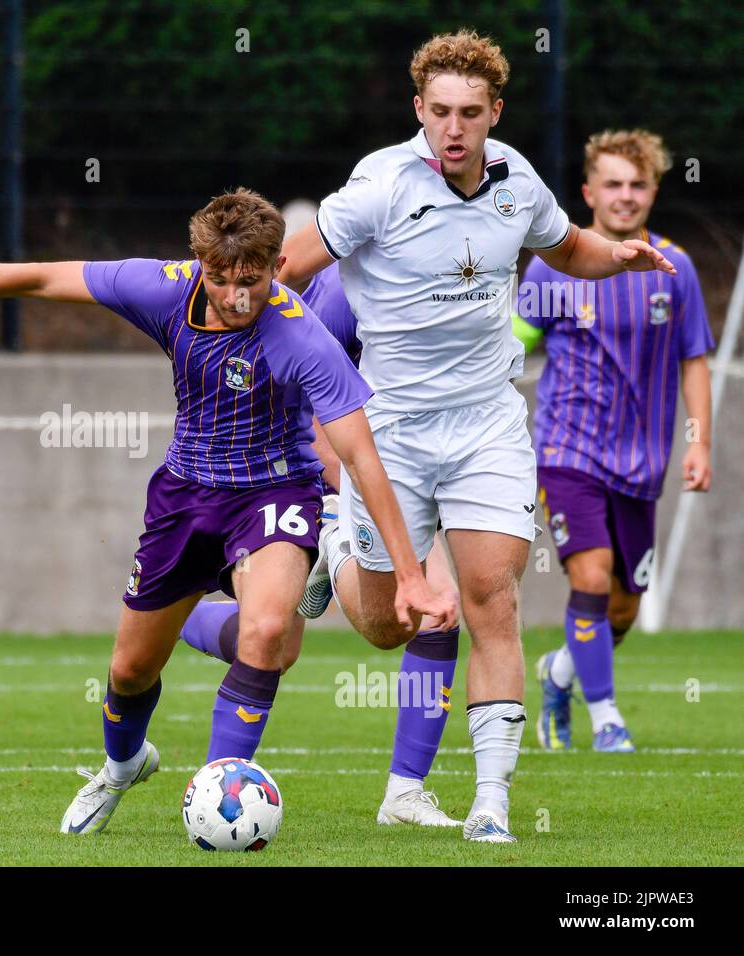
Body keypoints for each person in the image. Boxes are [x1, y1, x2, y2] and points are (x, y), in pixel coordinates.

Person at [0, 187, 452, 836]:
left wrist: (409, 574)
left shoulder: (302, 338)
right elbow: (42, 277)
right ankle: (123, 764)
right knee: (129, 672)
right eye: (221, 279)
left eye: (252, 280)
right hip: (185, 499)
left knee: (268, 633)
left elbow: (363, 460)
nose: (237, 296)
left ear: (277, 266)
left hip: (276, 493)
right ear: (197, 264)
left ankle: (221, 800)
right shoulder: (162, 290)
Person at [280, 30, 675, 842]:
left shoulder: (517, 179)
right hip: (388, 426)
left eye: (471, 113)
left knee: (488, 598)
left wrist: (618, 256)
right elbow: (289, 266)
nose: (454, 128)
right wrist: (223, 322)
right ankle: (338, 550)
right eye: (440, 112)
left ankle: (490, 803)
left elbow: (566, 247)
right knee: (391, 626)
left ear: (494, 111)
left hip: (488, 422)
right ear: (417, 110)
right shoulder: (377, 187)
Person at [178, 260, 465, 828]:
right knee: (295, 639)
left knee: (290, 644)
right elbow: (302, 403)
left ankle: (404, 795)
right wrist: (347, 492)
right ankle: (326, 540)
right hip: (326, 473)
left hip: (413, 461)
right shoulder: (343, 287)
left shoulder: (468, 265)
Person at [517, 129, 714, 753]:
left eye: (637, 184)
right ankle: (606, 719)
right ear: (588, 192)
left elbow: (694, 361)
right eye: (613, 184)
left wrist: (699, 441)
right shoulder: (554, 264)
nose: (625, 196)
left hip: (644, 463)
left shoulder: (674, 268)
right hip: (568, 451)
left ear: (654, 191)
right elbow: (512, 341)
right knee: (593, 579)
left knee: (623, 609)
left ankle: (560, 672)